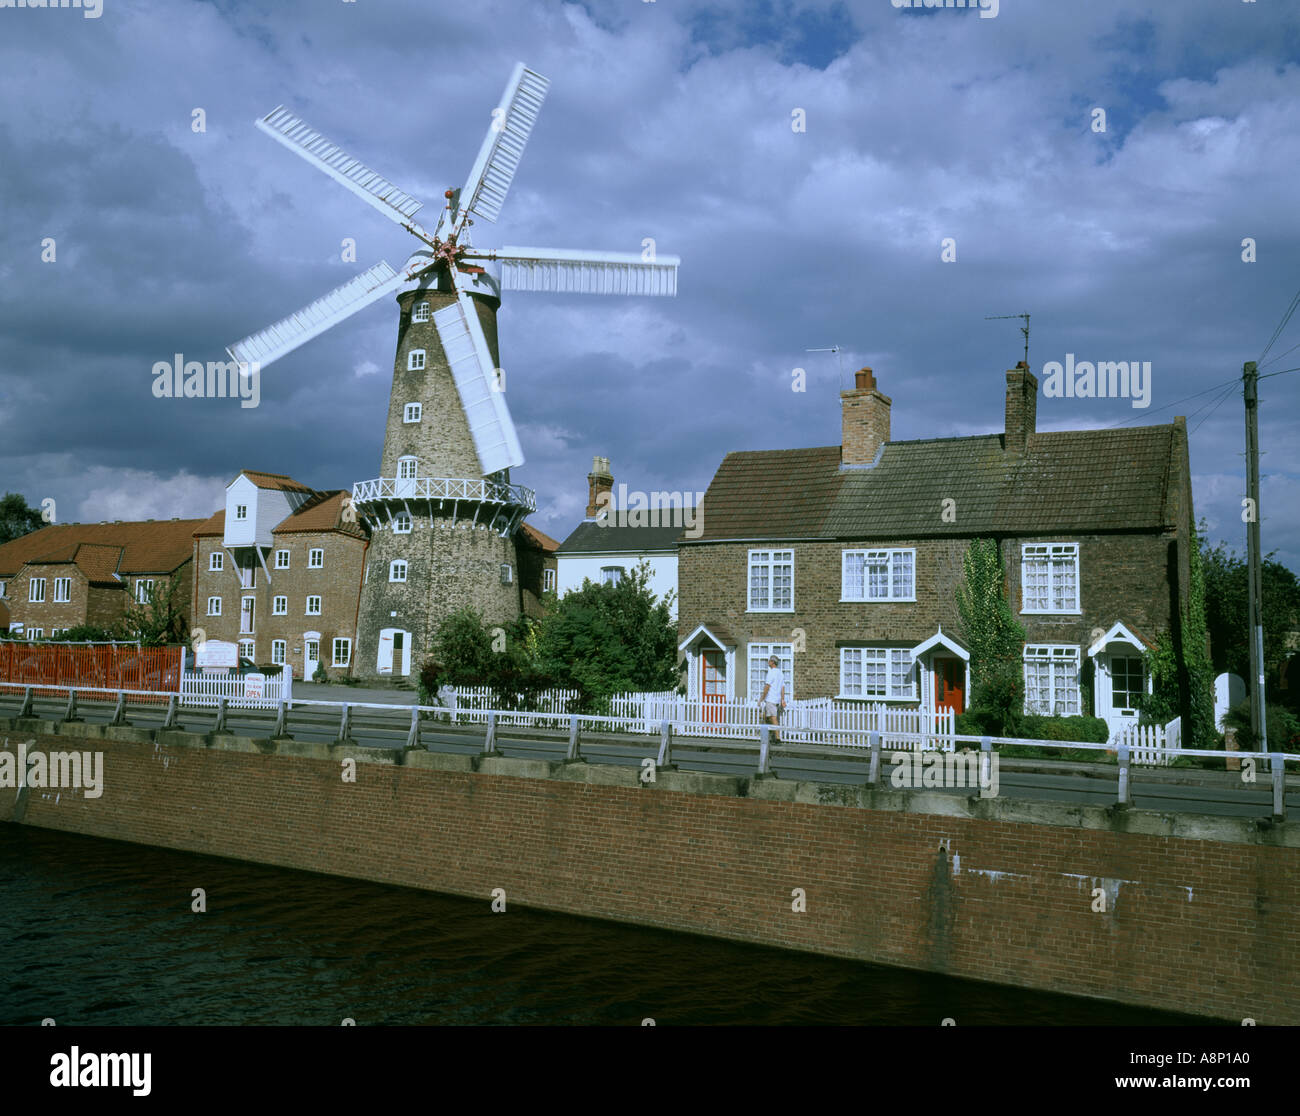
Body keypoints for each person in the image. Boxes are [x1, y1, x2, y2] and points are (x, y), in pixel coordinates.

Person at [759, 655, 786, 742]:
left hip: (771, 699)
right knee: (768, 717)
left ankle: (777, 738)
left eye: (769, 660)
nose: (768, 662)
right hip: (777, 699)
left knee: (773, 718)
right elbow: (782, 688)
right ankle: (770, 736)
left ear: (772, 662)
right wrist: (782, 699)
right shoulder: (780, 673)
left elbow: (767, 687)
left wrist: (761, 699)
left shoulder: (771, 673)